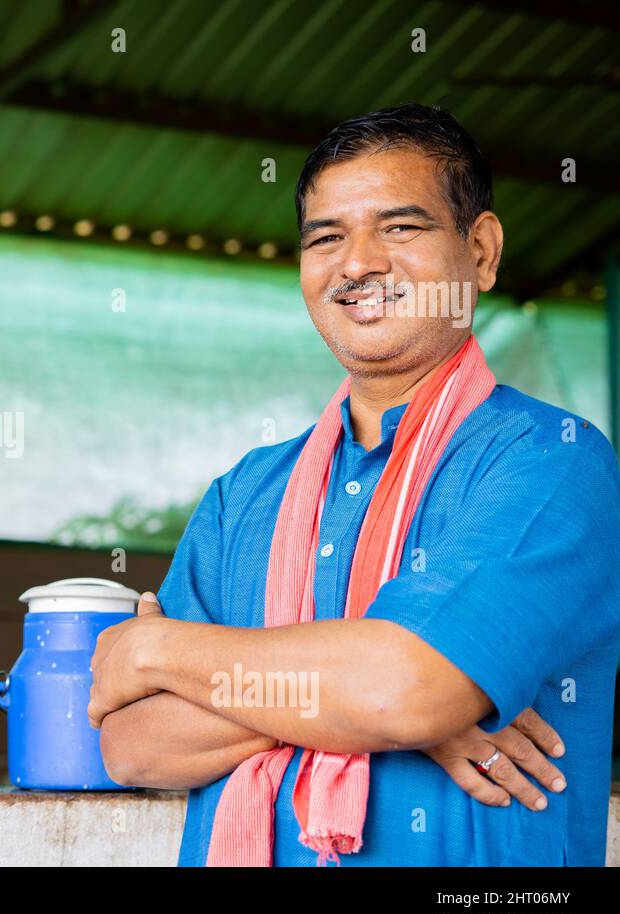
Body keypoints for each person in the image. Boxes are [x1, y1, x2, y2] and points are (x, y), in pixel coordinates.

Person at [90, 104, 620, 866]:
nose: (358, 262)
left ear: (481, 250)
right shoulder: (244, 494)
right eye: (326, 237)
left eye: (400, 228)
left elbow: (402, 690)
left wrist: (156, 650)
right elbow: (135, 744)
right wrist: (363, 703)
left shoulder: (547, 462)